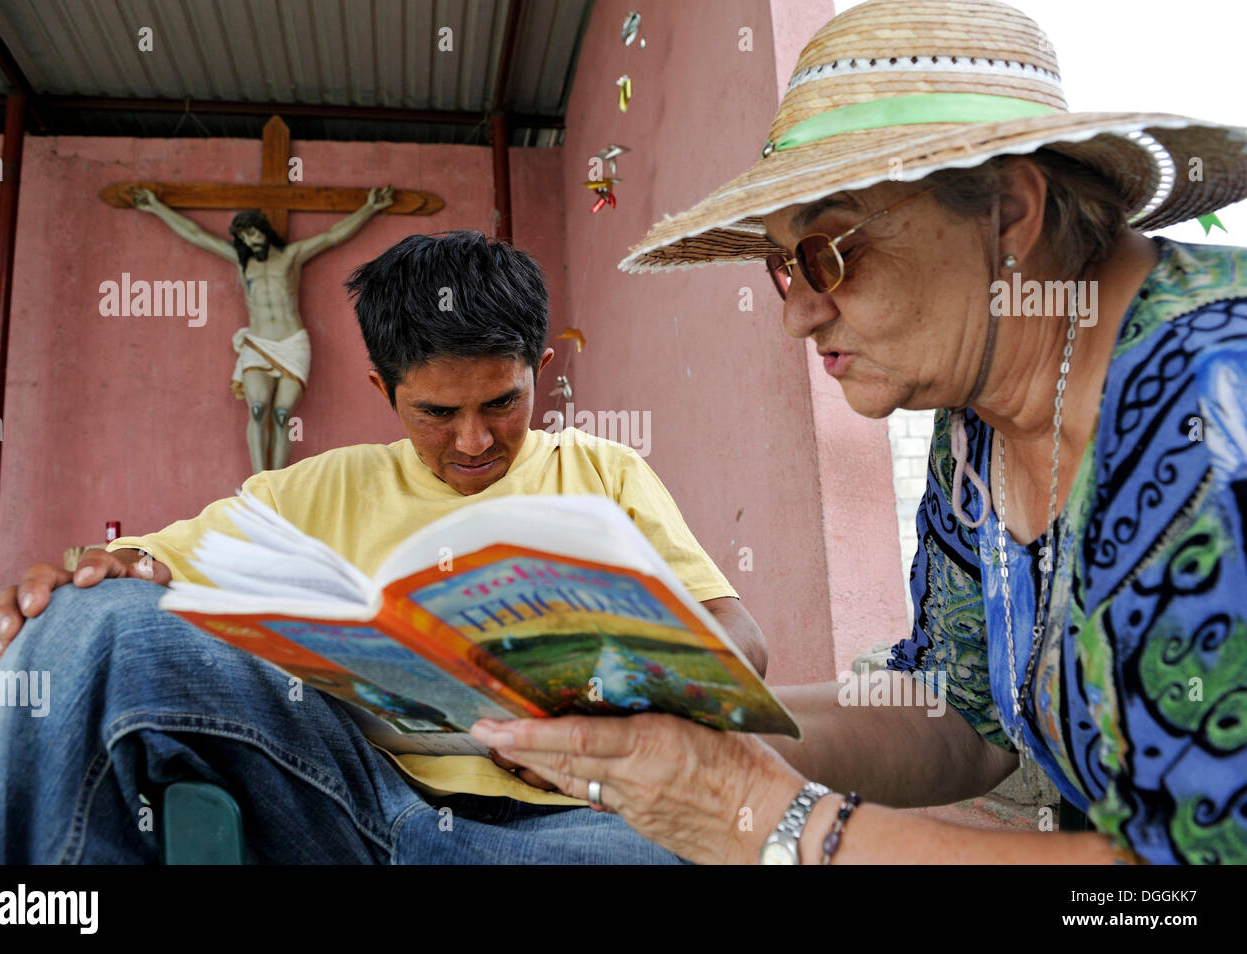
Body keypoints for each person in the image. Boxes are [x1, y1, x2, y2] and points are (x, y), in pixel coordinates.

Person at [473, 0, 1247, 864]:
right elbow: (954, 712)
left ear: (1009, 216)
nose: (798, 317)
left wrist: (771, 821)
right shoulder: (976, 430)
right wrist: (694, 721)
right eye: (780, 268)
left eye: (828, 253)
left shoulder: (1214, 400)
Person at [0, 231, 765, 864]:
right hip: (352, 803)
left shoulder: (603, 469)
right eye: (436, 414)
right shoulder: (313, 490)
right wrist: (89, 579)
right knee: (94, 622)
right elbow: (145, 579)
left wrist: (596, 694)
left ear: (540, 371)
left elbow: (743, 643)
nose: (475, 440)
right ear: (384, 391)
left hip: (575, 826)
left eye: (502, 403)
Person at [130, 184, 395, 474]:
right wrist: (156, 207)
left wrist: (371, 207)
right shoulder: (241, 262)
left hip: (292, 342)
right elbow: (196, 235)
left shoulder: (291, 256)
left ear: (265, 231)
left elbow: (332, 236)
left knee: (282, 414)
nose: (251, 240)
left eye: (254, 233)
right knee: (257, 409)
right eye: (244, 236)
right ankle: (257, 482)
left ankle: (275, 480)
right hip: (258, 343)